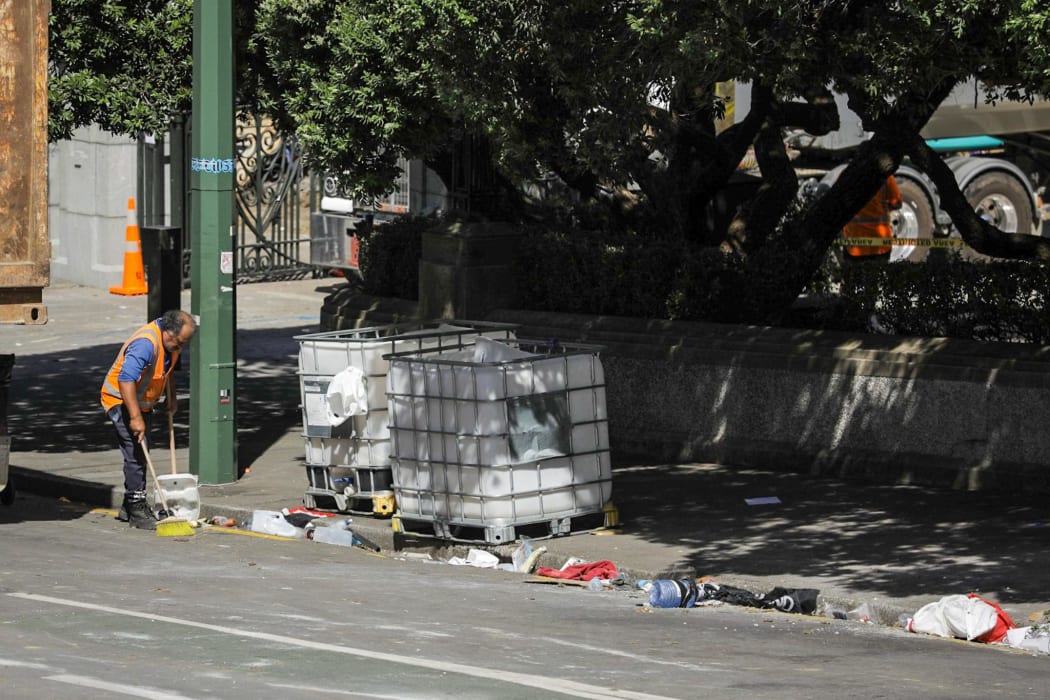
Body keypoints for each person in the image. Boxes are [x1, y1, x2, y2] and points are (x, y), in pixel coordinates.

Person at [101, 310, 197, 529]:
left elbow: (166, 369)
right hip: (120, 399)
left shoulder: (171, 344)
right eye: (181, 342)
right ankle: (136, 507)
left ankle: (129, 504)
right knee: (136, 450)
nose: (182, 347)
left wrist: (171, 395)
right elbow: (126, 380)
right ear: (169, 334)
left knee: (142, 450)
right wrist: (135, 417)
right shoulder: (145, 344)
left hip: (142, 402)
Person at [842, 175, 903, 264]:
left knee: (854, 277)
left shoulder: (847, 175)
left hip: (854, 244)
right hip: (880, 245)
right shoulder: (886, 177)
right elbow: (897, 203)